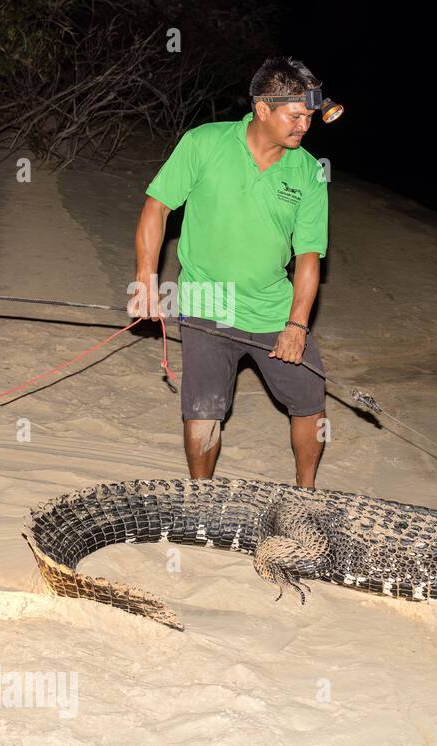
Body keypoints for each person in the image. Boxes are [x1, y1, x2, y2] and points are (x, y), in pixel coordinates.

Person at [130, 56, 330, 487]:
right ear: (262, 109)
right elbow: (157, 206)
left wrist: (297, 323)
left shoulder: (310, 172)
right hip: (208, 299)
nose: (304, 126)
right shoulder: (205, 143)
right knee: (204, 409)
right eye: (295, 116)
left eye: (310, 117)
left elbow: (309, 256)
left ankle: (307, 494)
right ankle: (201, 495)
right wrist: (146, 279)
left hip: (272, 304)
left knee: (310, 404)